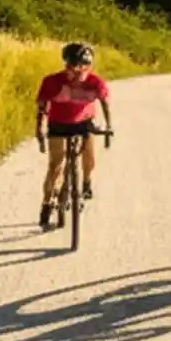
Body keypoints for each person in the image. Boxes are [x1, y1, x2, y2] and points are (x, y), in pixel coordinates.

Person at [35, 42, 113, 229]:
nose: (78, 71)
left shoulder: (95, 82)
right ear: (66, 65)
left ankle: (85, 182)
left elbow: (104, 103)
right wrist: (39, 130)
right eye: (73, 66)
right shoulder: (52, 82)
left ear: (90, 65)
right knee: (55, 165)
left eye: (84, 66)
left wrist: (109, 126)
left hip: (83, 123)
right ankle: (46, 203)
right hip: (58, 123)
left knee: (89, 158)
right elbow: (42, 107)